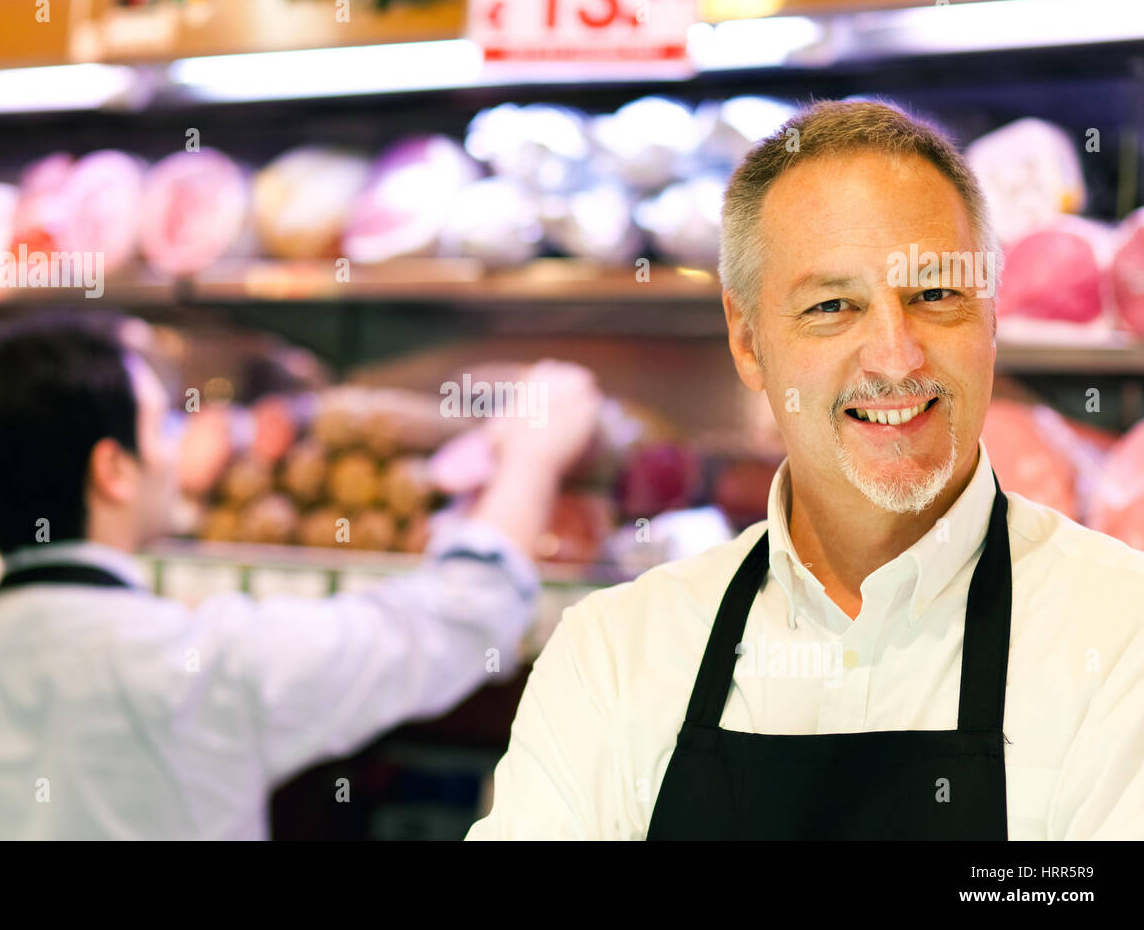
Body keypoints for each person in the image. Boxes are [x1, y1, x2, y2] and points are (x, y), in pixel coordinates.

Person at [468, 100, 1144, 840]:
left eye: (936, 295)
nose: (895, 356)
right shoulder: (613, 654)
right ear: (749, 341)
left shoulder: (1119, 635)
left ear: (989, 315)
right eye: (832, 305)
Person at [0, 314, 601, 839]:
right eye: (157, 427)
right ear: (112, 469)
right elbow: (457, 617)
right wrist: (531, 457)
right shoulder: (216, 662)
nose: (175, 449)